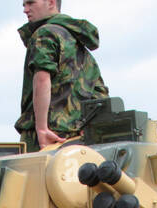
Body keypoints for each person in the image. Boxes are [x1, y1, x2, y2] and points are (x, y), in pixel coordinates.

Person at [15, 0, 109, 152]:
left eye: (31, 3)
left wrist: (42, 129)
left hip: (48, 137)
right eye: (24, 5)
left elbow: (42, 79)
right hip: (78, 139)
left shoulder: (44, 33)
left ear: (51, 2)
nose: (26, 10)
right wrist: (90, 128)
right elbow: (98, 91)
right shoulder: (77, 40)